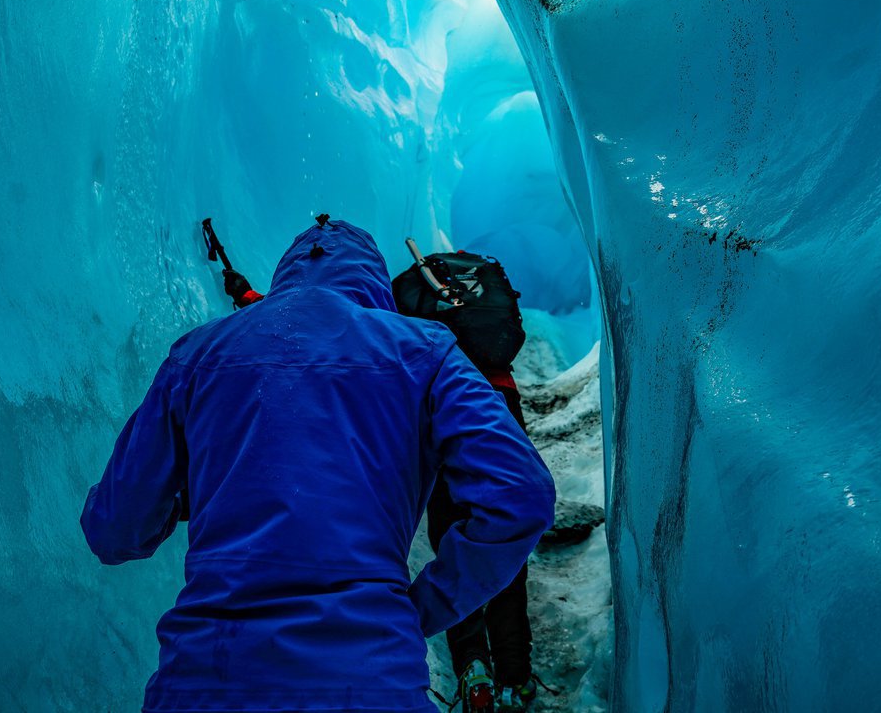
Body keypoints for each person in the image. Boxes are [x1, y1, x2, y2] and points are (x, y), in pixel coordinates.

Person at [81, 217, 555, 713]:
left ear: (288, 271)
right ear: (375, 282)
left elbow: (112, 530)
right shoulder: (428, 351)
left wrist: (191, 489)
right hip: (371, 681)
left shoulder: (196, 356)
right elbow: (520, 496)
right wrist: (418, 609)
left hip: (205, 680)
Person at [393, 251, 540, 712]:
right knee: (505, 537)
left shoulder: (418, 302)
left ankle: (473, 665)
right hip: (500, 403)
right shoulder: (485, 304)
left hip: (442, 408)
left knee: (454, 539)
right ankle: (516, 677)